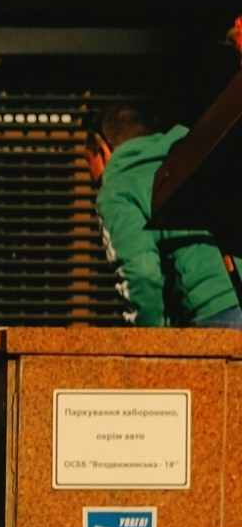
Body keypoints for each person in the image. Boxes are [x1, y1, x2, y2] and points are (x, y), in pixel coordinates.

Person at [94, 50, 242, 327]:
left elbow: (142, 274)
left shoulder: (117, 187)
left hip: (215, 315)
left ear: (102, 149)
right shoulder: (191, 153)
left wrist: (155, 345)